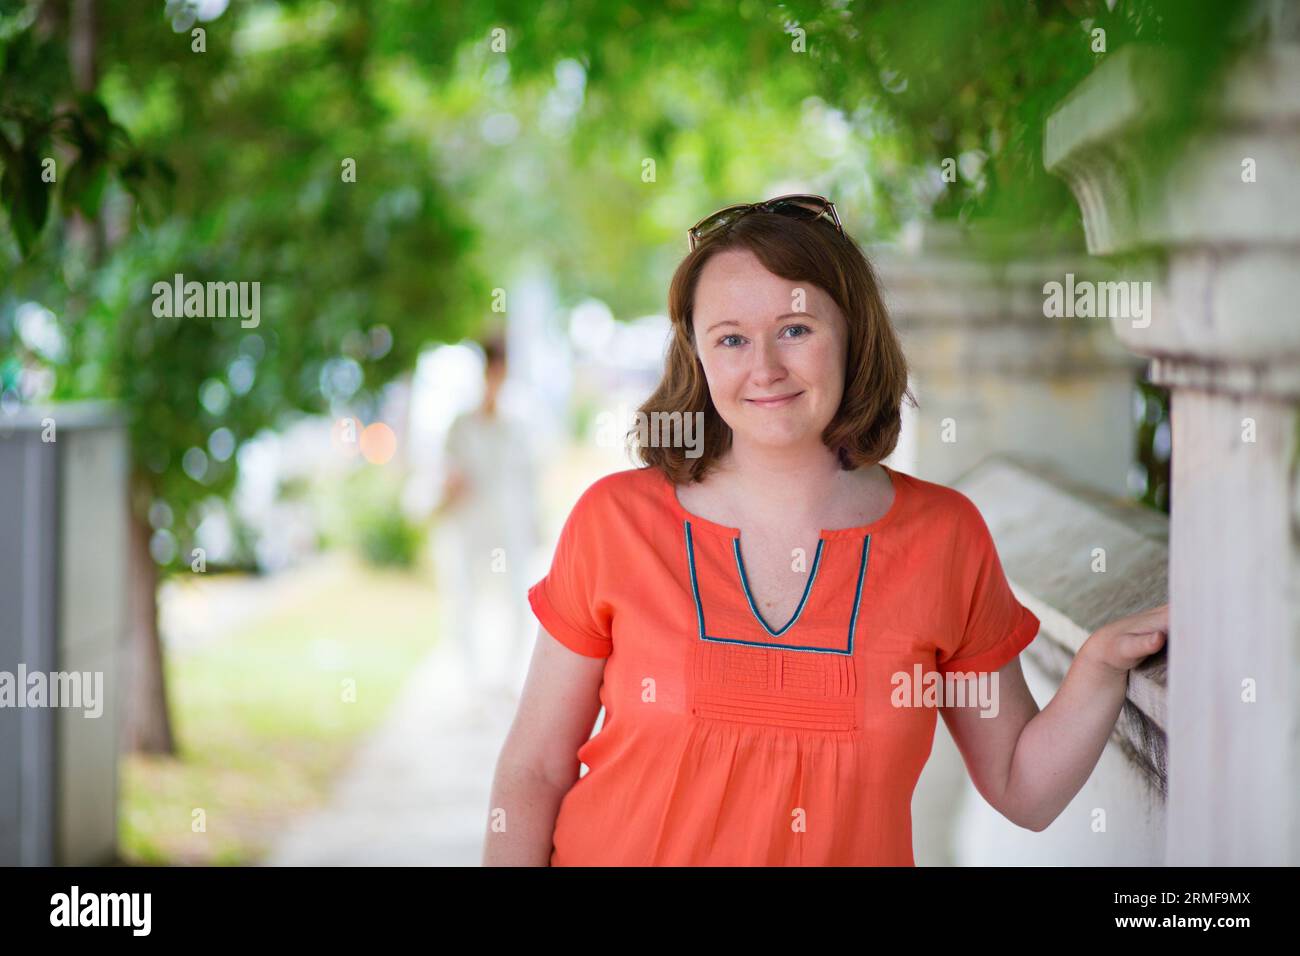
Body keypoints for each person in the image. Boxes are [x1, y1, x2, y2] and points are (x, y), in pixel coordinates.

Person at [482, 194, 1169, 866]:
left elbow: (1024, 786)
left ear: (853, 334)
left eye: (796, 328)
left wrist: (1102, 667)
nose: (765, 367)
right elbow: (535, 769)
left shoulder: (943, 538)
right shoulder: (615, 523)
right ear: (697, 354)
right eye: (730, 338)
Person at [432, 334, 538, 710]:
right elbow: (447, 473)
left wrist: (533, 527)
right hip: (468, 526)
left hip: (508, 527)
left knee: (515, 601)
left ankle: (507, 678)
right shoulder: (461, 425)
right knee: (464, 600)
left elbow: (529, 481)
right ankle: (471, 683)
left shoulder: (518, 425)